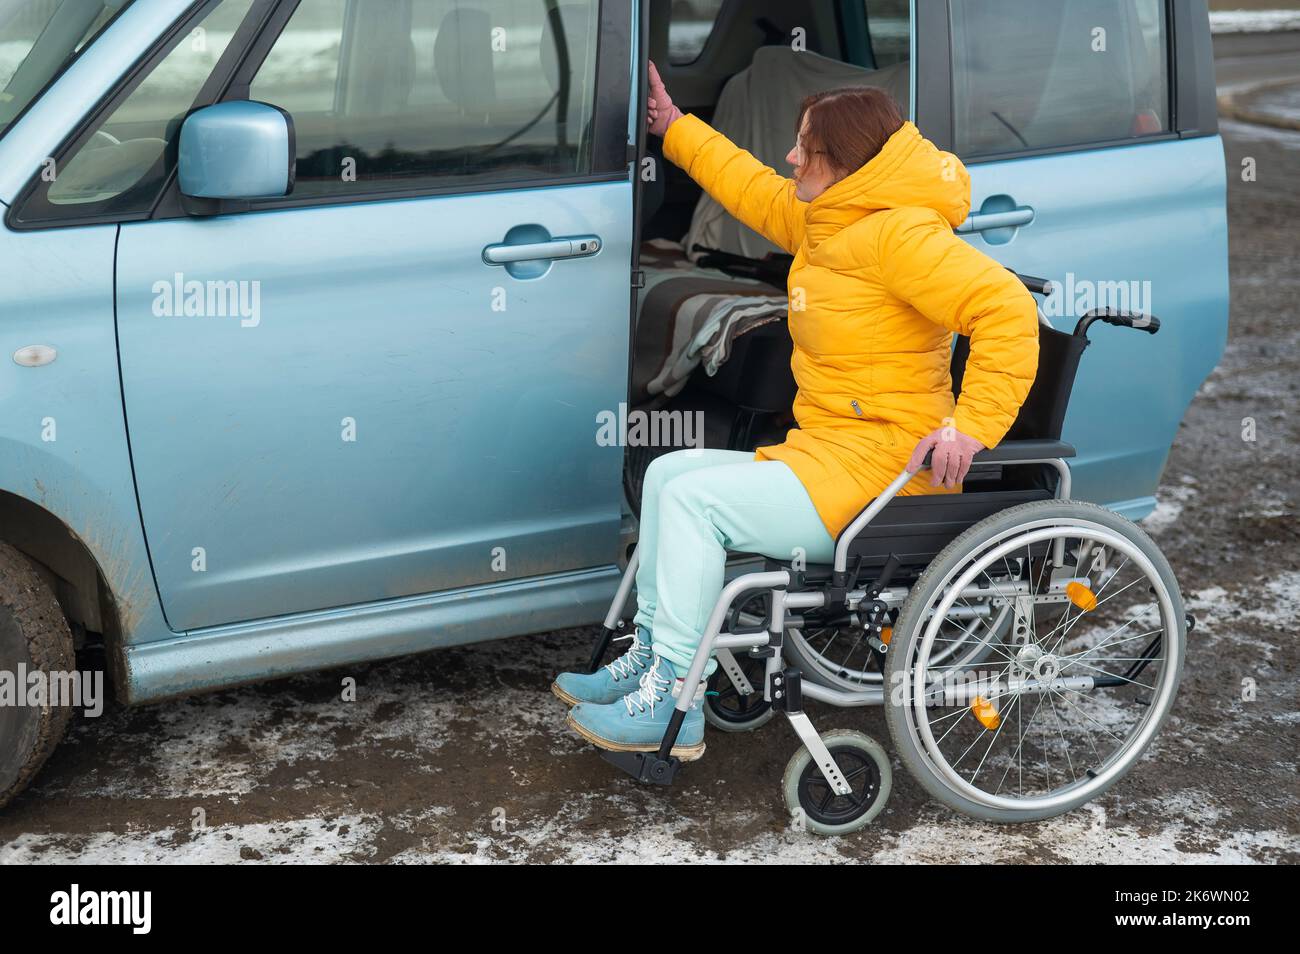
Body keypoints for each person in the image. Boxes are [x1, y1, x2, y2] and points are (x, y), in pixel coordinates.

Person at [554, 61, 1039, 761]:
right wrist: (677, 130)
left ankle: (672, 700)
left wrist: (971, 426)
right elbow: (751, 190)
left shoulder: (900, 236)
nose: (789, 156)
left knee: (697, 504)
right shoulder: (831, 216)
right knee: (669, 475)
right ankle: (654, 658)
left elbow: (1006, 310)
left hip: (883, 475)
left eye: (804, 146)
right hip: (829, 453)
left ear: (842, 162)